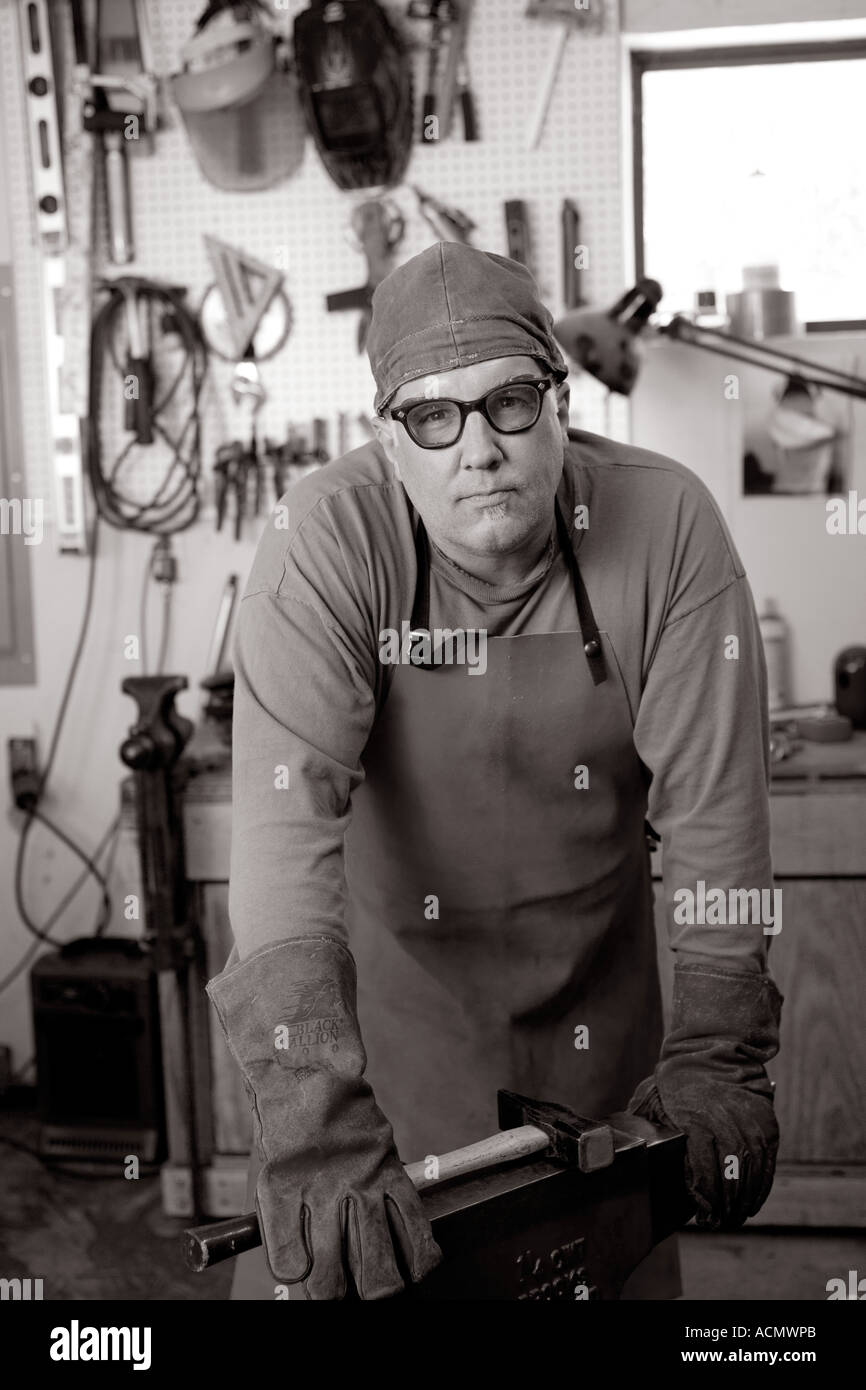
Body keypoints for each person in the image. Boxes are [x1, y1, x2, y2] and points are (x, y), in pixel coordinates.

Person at [207, 241, 783, 1301]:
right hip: (380, 1071)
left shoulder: (667, 528)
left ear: (559, 402)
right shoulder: (324, 545)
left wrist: (715, 1052)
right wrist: (316, 1120)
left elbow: (717, 822)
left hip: (604, 1084)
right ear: (389, 441)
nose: (477, 448)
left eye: (508, 402)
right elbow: (284, 855)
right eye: (432, 415)